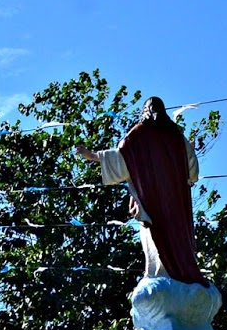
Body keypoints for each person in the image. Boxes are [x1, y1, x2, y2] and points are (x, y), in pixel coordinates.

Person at [75, 97, 207, 285]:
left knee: (156, 238)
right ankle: (170, 274)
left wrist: (92, 156)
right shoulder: (175, 135)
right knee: (175, 237)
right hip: (173, 203)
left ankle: (161, 276)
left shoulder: (140, 134)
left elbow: (121, 158)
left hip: (153, 203)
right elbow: (191, 169)